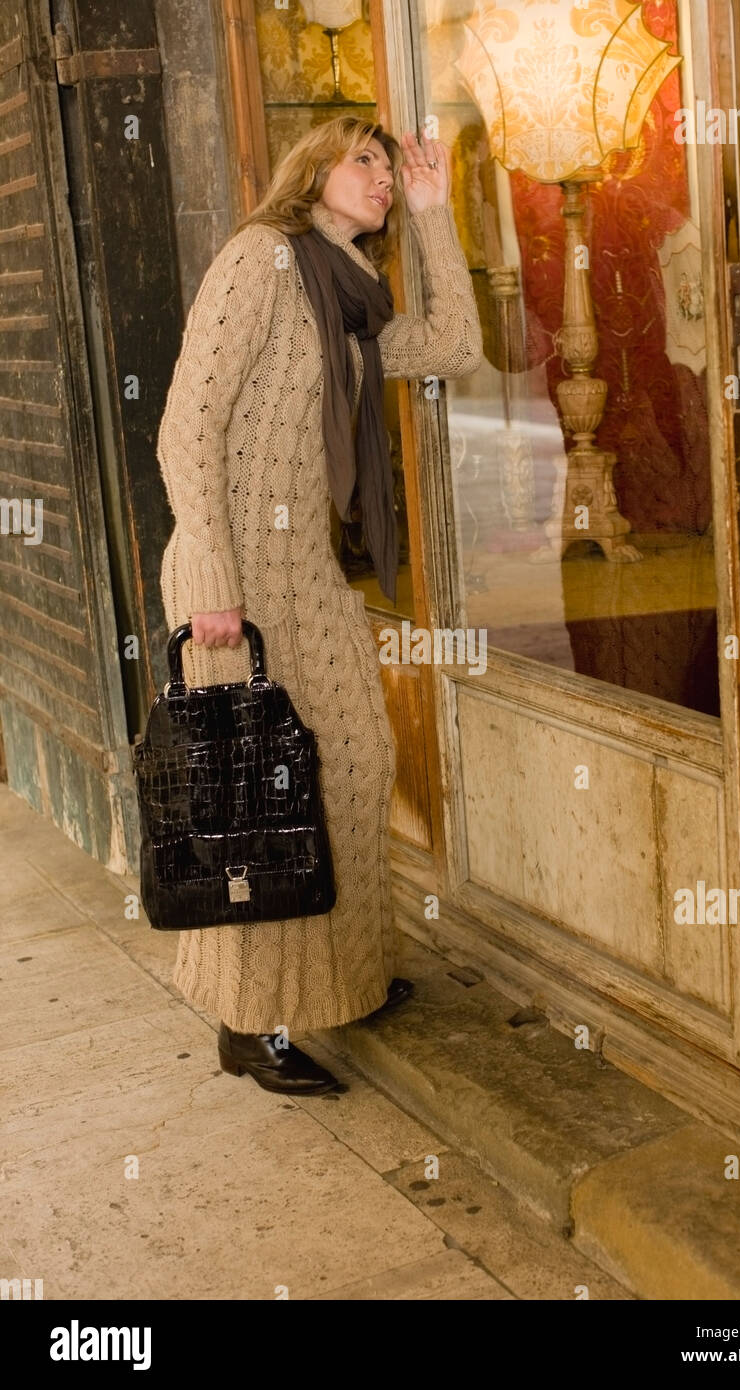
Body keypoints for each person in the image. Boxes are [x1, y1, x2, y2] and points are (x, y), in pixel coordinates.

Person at [155, 116, 483, 1096]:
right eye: (364, 160)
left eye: (391, 165)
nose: (383, 176)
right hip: (235, 584)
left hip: (308, 574)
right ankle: (245, 1021)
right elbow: (188, 423)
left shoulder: (348, 300)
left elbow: (456, 349)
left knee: (352, 766)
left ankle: (340, 978)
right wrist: (211, 576)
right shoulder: (259, 259)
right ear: (312, 173)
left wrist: (432, 219)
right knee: (259, 798)